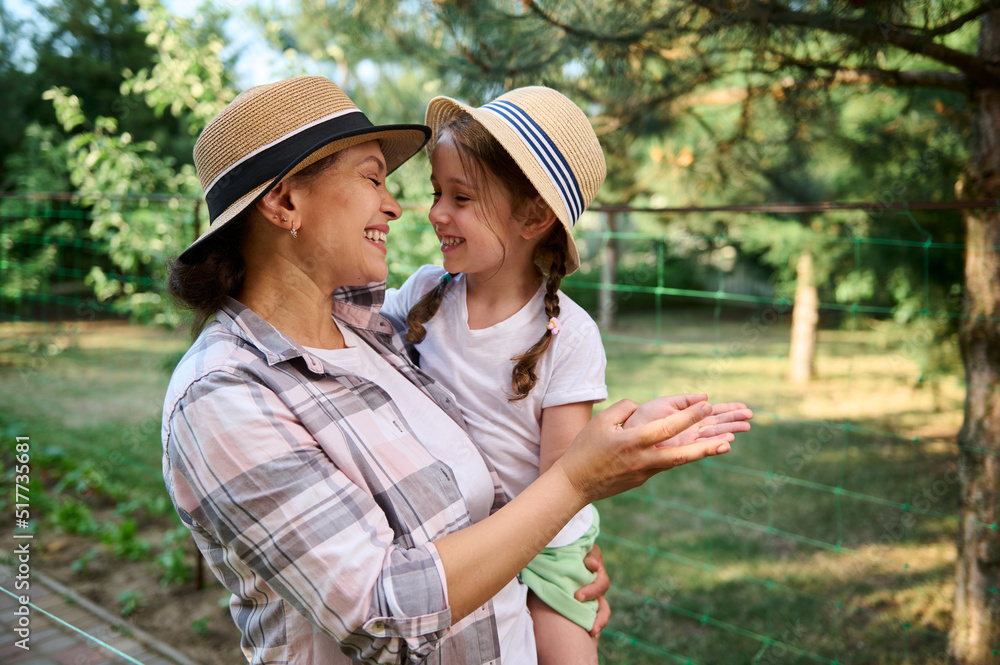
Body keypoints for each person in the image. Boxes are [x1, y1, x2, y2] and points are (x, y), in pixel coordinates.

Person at [161, 74, 749, 665]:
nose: (397, 205)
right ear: (286, 202)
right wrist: (575, 484)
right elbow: (379, 615)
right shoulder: (224, 395)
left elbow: (493, 487)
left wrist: (555, 560)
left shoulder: (379, 334)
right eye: (372, 179)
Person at [381, 87, 751, 665]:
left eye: (462, 197)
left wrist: (632, 442)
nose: (435, 213)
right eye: (436, 193)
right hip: (455, 534)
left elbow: (564, 473)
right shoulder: (424, 293)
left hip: (546, 543)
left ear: (533, 216)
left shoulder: (568, 336)